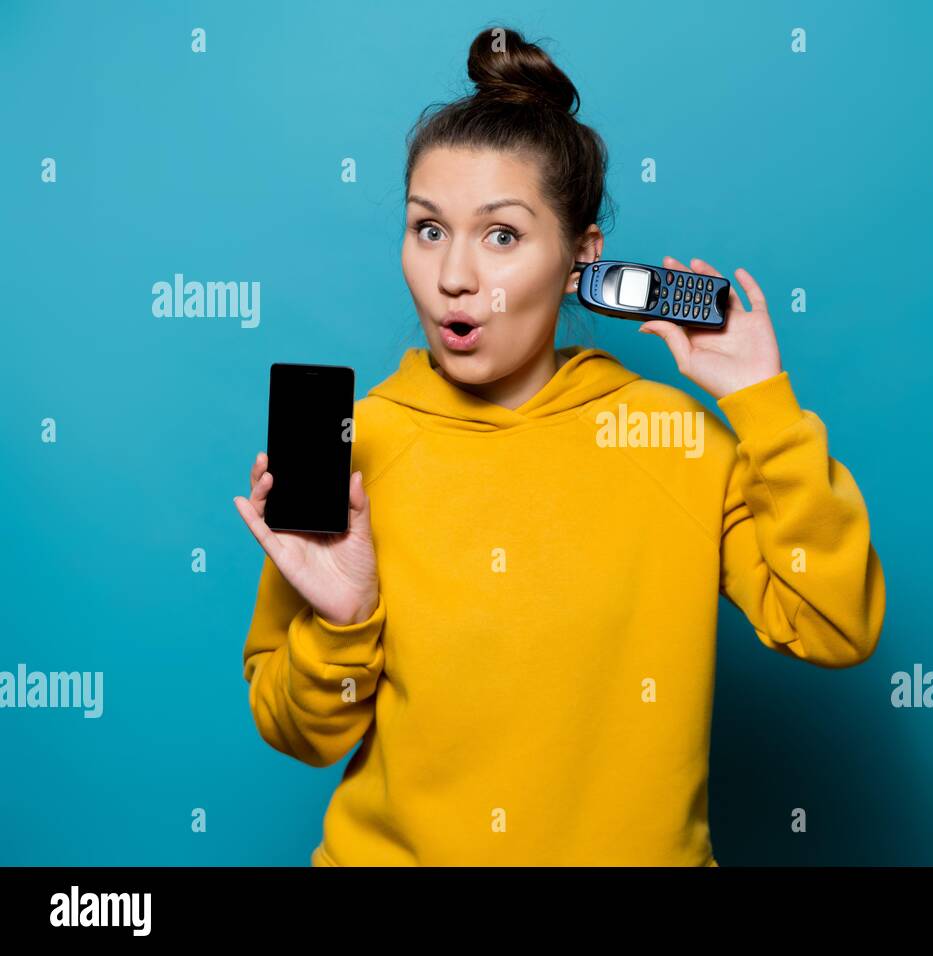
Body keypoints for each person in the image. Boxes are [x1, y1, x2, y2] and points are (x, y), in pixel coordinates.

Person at [233, 24, 886, 867]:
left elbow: (837, 625)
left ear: (581, 259)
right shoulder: (353, 446)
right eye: (428, 230)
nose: (455, 276)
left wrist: (764, 409)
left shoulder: (676, 438)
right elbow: (297, 734)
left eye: (501, 235)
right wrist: (344, 622)